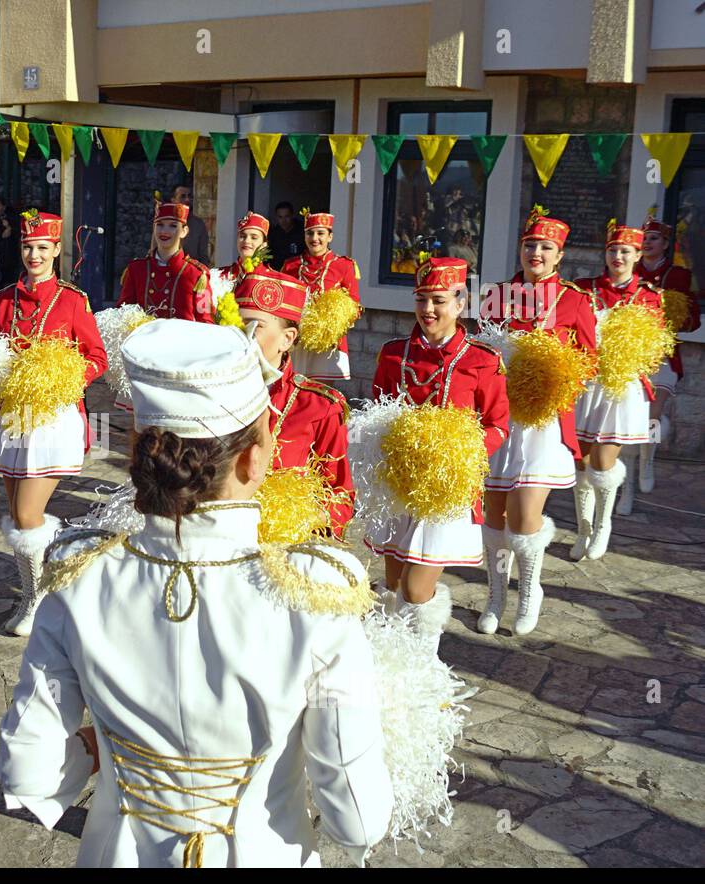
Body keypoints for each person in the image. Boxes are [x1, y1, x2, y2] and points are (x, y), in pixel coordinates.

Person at [0, 318, 392, 868]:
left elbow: (27, 772)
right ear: (256, 460)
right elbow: (358, 818)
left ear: (138, 452)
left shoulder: (78, 576)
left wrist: (95, 751)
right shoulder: (315, 593)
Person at [368, 257, 509, 644]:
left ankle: (424, 665)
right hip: (398, 485)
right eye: (421, 299)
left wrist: (457, 451)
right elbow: (378, 410)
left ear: (460, 303)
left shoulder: (483, 360)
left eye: (439, 300)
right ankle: (393, 658)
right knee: (395, 583)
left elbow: (498, 424)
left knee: (416, 589)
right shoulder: (393, 353)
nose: (428, 310)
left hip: (446, 492)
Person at [478, 208, 597, 636]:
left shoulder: (574, 300)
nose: (537, 253)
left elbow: (588, 359)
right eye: (530, 245)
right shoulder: (496, 294)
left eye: (546, 247)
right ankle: (496, 596)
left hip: (543, 421)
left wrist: (556, 381)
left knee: (525, 515)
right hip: (498, 417)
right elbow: (480, 351)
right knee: (493, 515)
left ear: (560, 255)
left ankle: (530, 591)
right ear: (520, 249)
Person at [0, 210, 107, 638]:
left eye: (42, 247)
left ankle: (38, 598)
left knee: (26, 512)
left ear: (57, 250)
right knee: (18, 517)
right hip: (15, 417)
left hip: (55, 418)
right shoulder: (4, 298)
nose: (34, 254)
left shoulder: (73, 300)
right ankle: (34, 591)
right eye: (27, 247)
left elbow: (97, 357)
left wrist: (61, 378)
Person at [236, 270, 354, 538]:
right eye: (238, 326)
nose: (244, 337)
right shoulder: (212, 396)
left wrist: (293, 519)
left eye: (255, 327)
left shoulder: (320, 406)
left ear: (287, 339)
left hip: (285, 552)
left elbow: (341, 498)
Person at [572, 222, 659, 543]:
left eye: (625, 251)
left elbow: (651, 347)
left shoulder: (648, 298)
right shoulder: (583, 288)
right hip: (583, 385)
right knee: (579, 461)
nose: (618, 256)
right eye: (612, 250)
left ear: (637, 255)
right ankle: (583, 529)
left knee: (603, 461)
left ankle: (602, 525)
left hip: (619, 387)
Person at [635, 212, 701, 493]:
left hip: (661, 353)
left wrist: (673, 312)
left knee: (653, 412)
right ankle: (626, 468)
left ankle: (647, 461)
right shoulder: (630, 270)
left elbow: (692, 319)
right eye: (643, 238)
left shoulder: (678, 275)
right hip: (629, 353)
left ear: (665, 243)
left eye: (653, 238)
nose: (646, 243)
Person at [283, 208, 358, 382]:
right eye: (310, 233)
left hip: (327, 342)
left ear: (330, 237)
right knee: (293, 388)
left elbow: (354, 305)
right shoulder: (290, 265)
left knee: (321, 394)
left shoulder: (344, 265)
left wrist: (333, 323)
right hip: (297, 339)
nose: (314, 238)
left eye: (320, 233)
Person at [118, 201, 213, 323]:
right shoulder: (137, 269)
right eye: (160, 225)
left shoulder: (197, 274)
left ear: (184, 231)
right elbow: (121, 314)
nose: (164, 231)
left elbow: (206, 322)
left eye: (173, 226)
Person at [220, 211, 297, 284]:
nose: (246, 241)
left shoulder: (276, 282)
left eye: (254, 237)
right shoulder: (218, 276)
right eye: (242, 236)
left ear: (264, 244)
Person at [171, 183, 210, 265]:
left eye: (189, 196)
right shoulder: (164, 223)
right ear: (173, 200)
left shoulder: (198, 224)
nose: (187, 200)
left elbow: (203, 256)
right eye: (183, 196)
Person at [265, 201, 303, 271]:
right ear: (276, 217)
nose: (283, 221)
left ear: (292, 215)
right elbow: (268, 256)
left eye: (287, 216)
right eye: (280, 217)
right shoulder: (273, 234)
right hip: (277, 274)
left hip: (297, 273)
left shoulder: (302, 232)